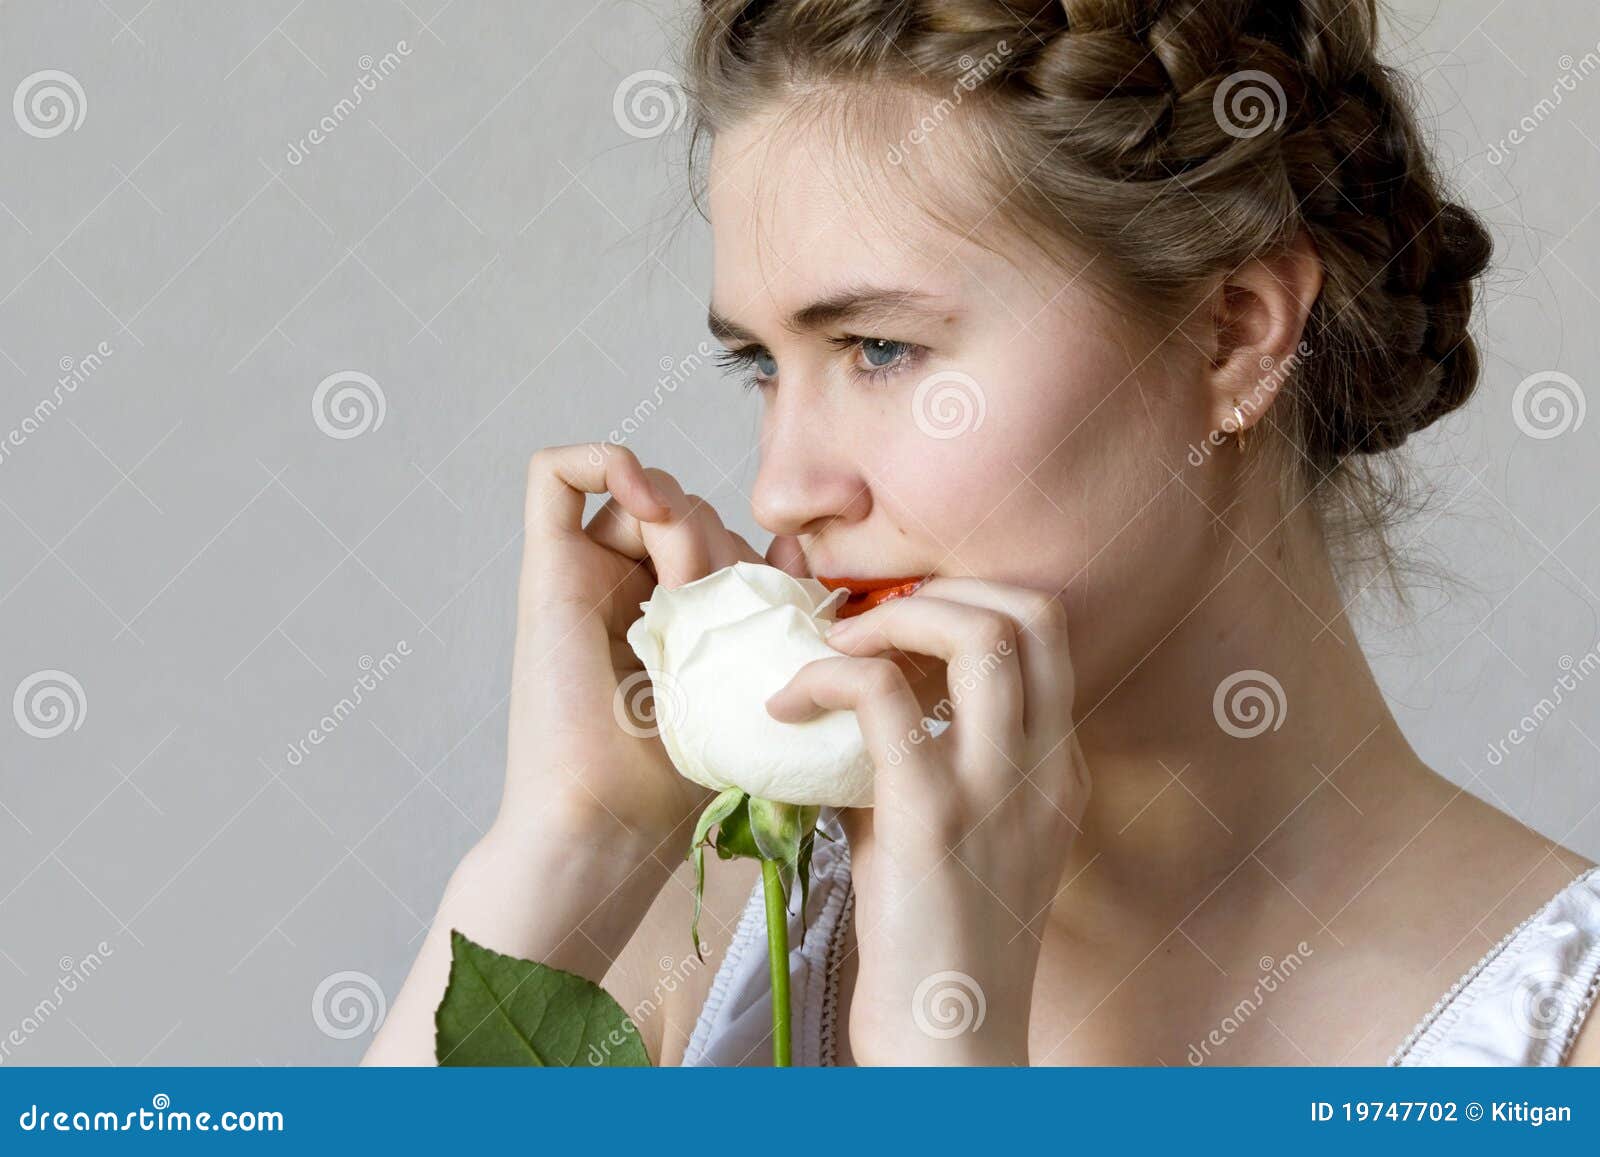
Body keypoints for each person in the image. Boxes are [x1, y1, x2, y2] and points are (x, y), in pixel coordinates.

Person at [364, 0, 1600, 1066]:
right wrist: (578, 839)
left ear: (1230, 333)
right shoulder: (710, 919)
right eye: (762, 364)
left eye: (881, 348)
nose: (786, 486)